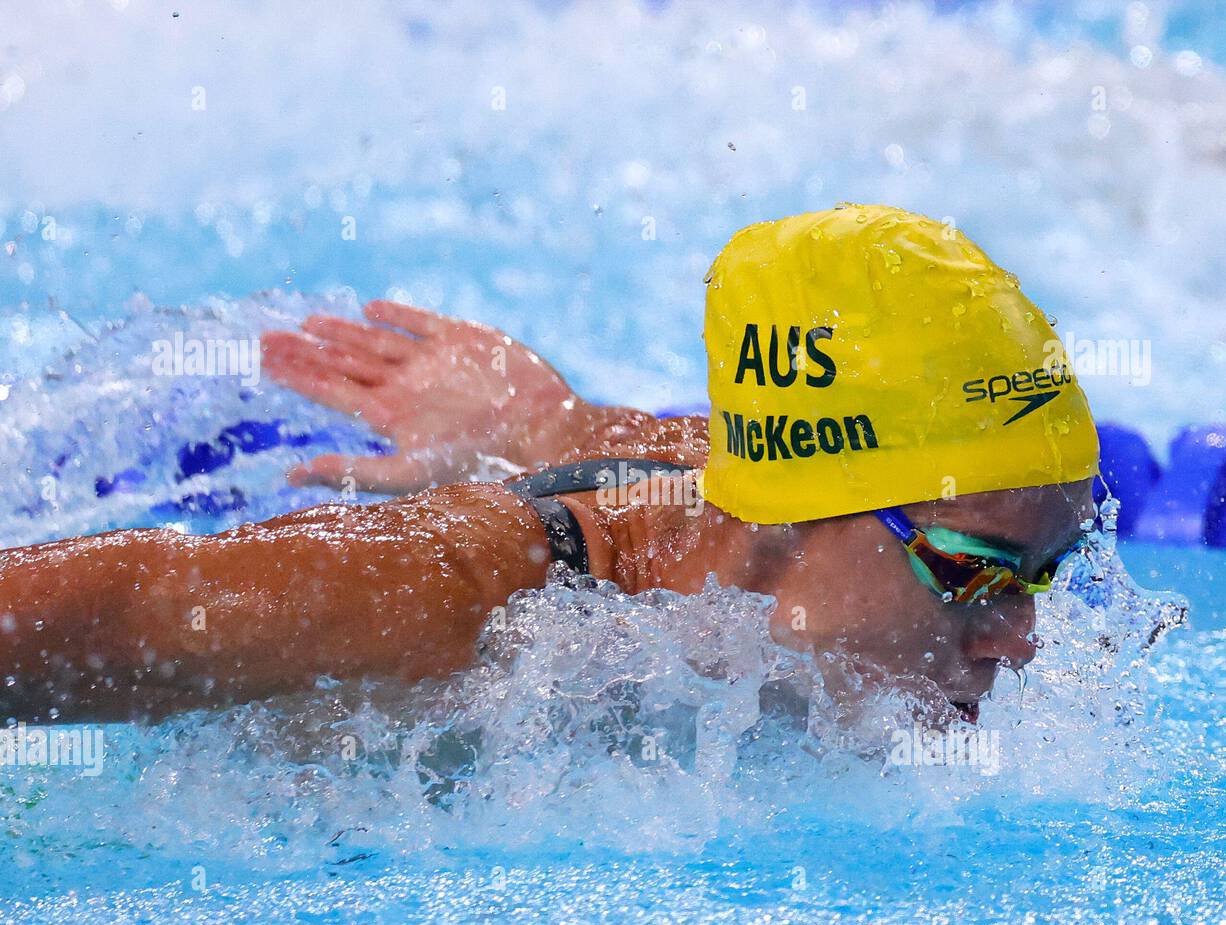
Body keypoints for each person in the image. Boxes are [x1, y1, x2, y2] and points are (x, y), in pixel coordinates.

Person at [0, 205, 1098, 725]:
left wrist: (550, 419)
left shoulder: (779, 514)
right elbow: (141, 603)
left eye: (1042, 575)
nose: (1022, 639)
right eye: (973, 572)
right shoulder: (458, 603)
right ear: (796, 519)